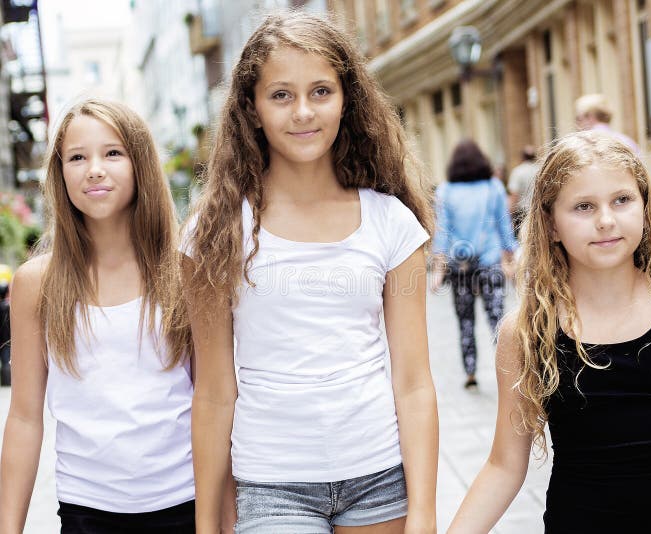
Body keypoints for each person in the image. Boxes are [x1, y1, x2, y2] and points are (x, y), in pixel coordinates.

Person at [182, 11, 438, 534]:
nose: (302, 112)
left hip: (379, 478)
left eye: (321, 91)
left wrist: (426, 515)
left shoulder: (391, 222)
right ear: (251, 109)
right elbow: (212, 390)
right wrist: (207, 523)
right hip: (272, 484)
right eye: (280, 95)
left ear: (347, 101)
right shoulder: (217, 231)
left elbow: (413, 382)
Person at [448, 132, 651, 533]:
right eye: (584, 206)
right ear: (551, 224)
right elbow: (503, 465)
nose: (606, 220)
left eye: (622, 200)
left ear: (645, 207)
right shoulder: (527, 332)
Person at [0, 99, 195, 533]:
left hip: (186, 503)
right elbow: (25, 417)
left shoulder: (185, 272)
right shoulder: (36, 284)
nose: (94, 169)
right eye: (76, 157)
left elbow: (213, 398)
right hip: (87, 511)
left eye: (112, 153)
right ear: (60, 174)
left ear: (140, 163)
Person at [431, 139, 518, 389]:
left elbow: (443, 233)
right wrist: (511, 260)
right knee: (497, 320)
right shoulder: (493, 188)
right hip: (490, 263)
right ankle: (507, 371)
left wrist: (438, 269)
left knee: (465, 321)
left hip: (461, 267)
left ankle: (470, 373)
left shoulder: (445, 191)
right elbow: (505, 228)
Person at [575, 93, 640, 153]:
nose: (577, 124)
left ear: (590, 117)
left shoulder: (584, 143)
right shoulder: (627, 141)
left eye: (578, 118)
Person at [507, 145, 539, 236]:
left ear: (522, 157)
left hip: (523, 214)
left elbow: (514, 195)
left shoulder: (518, 172)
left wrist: (510, 215)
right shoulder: (540, 169)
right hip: (539, 212)